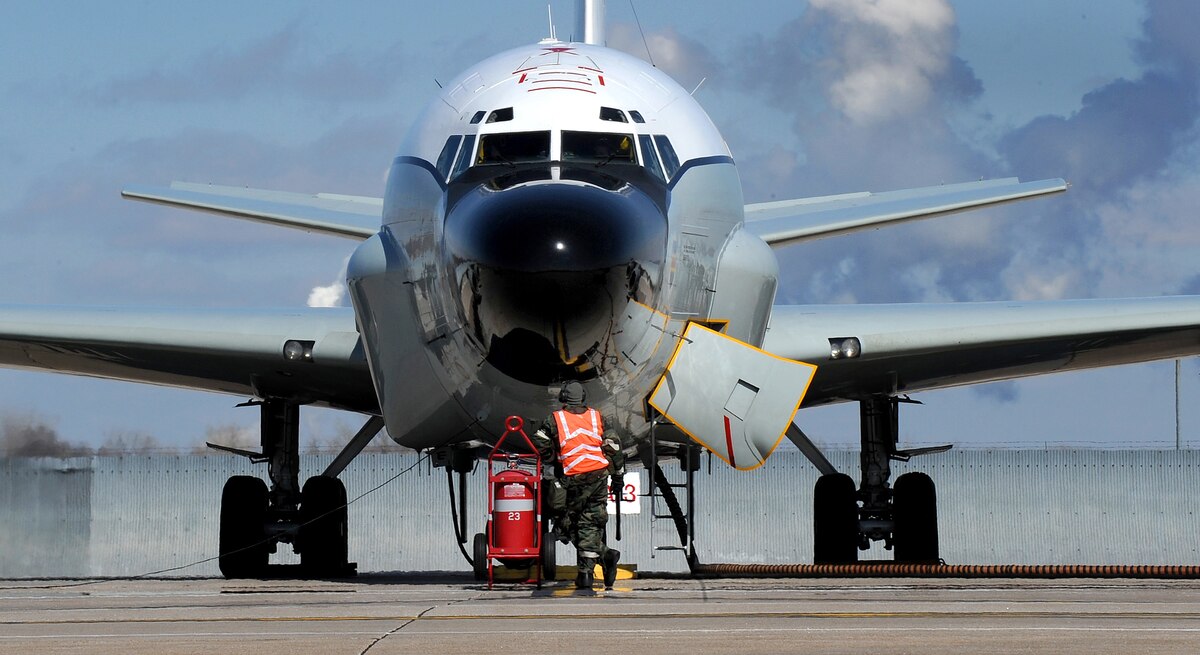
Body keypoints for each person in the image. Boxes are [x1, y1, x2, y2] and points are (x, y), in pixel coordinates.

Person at [532, 381, 625, 589]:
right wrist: (618, 477)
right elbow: (614, 446)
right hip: (599, 475)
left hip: (573, 476)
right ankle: (589, 571)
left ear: (563, 398)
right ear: (583, 398)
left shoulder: (555, 419)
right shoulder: (597, 417)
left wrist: (552, 459)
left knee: (566, 522)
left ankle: (600, 560)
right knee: (590, 523)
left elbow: (539, 439)